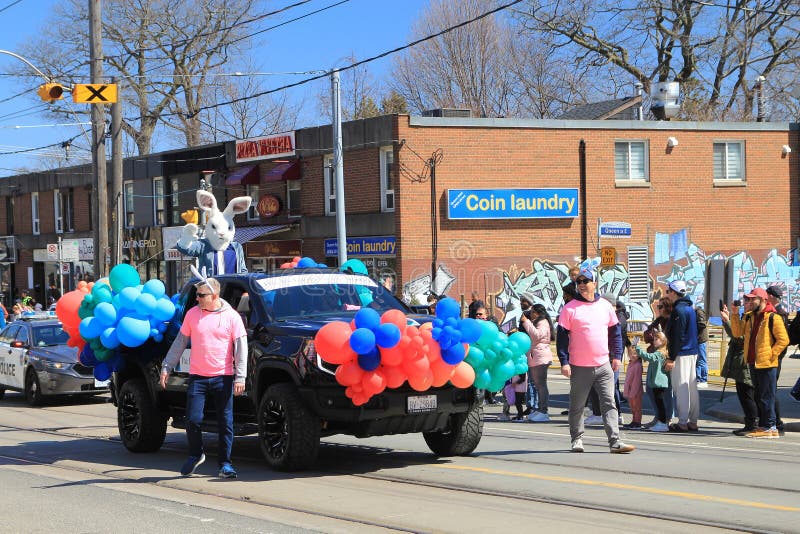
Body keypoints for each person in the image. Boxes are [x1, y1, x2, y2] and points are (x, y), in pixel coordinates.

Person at [160, 277, 248, 477]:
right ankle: (196, 454)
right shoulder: (192, 314)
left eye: (201, 295)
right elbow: (180, 342)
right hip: (198, 377)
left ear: (214, 296)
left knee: (225, 422)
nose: (197, 298)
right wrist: (167, 367)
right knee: (192, 420)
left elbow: (241, 348)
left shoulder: (232, 317)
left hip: (223, 377)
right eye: (197, 295)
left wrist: (240, 377)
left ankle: (225, 464)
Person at [557, 263, 634, 454]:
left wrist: (617, 356)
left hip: (603, 364)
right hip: (579, 366)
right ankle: (577, 439)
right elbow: (561, 339)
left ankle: (615, 441)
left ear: (595, 283)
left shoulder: (605, 306)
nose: (582, 284)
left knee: (609, 403)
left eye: (586, 281)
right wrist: (564, 362)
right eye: (579, 282)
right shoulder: (569, 309)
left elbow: (615, 333)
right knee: (577, 405)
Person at [722, 287, 788, 439]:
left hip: (767, 363)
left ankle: (769, 426)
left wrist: (771, 355)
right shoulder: (749, 317)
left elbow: (783, 340)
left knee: (767, 396)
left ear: (763, 300)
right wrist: (734, 313)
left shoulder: (773, 317)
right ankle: (765, 426)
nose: (750, 301)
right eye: (748, 299)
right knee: (759, 396)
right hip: (752, 361)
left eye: (753, 299)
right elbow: (737, 333)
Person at [663, 280, 700, 433]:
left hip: (682, 352)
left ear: (674, 292)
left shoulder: (678, 310)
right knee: (691, 387)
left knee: (681, 387)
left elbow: (678, 336)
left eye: (668, 291)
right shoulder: (690, 308)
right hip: (692, 350)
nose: (667, 294)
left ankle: (683, 422)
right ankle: (693, 421)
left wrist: (671, 357)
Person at [720, 318, 757, 436]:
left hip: (745, 365)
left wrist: (727, 321)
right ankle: (751, 424)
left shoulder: (753, 319)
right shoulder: (749, 317)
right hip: (741, 366)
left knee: (747, 396)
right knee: (745, 395)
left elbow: (739, 337)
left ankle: (753, 425)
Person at [628, 330, 671, 432]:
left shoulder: (659, 353)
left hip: (659, 383)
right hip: (658, 382)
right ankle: (661, 422)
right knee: (659, 403)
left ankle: (662, 423)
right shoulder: (661, 352)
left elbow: (649, 357)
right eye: (654, 339)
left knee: (660, 404)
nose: (654, 341)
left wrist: (638, 347)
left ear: (663, 341)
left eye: (657, 339)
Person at [522, 303, 553, 422]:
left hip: (541, 357)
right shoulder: (538, 322)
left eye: (532, 312)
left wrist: (526, 322)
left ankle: (543, 411)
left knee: (541, 385)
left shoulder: (543, 323)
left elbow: (536, 336)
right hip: (537, 357)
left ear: (538, 313)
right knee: (538, 385)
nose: (530, 314)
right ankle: (540, 409)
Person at [765, 285, 788, 434]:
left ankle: (777, 422)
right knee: (768, 389)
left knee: (770, 390)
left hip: (773, 358)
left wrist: (773, 355)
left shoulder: (779, 314)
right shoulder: (776, 312)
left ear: (771, 297)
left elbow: (782, 341)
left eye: (766, 295)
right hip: (771, 357)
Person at [695, 306, 709, 389]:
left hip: (700, 339)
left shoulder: (699, 312)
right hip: (698, 339)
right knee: (699, 360)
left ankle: (703, 379)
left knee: (702, 360)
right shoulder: (697, 312)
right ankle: (699, 378)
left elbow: (702, 324)